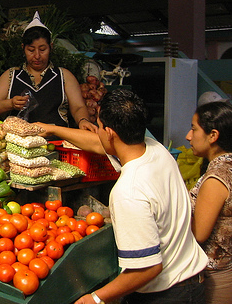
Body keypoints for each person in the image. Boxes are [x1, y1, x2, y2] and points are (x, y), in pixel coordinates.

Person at [36, 88, 208, 304]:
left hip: (168, 295)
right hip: (193, 281)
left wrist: (96, 298)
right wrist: (52, 129)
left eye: (98, 126)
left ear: (110, 133)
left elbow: (148, 268)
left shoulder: (128, 192)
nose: (96, 131)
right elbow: (98, 143)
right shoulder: (157, 150)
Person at [0, 11, 96, 132]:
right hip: (19, 144)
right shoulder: (11, 75)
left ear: (51, 47)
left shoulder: (64, 75)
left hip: (57, 140)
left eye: (42, 49)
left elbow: (78, 107)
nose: (37, 56)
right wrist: (10, 103)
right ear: (23, 48)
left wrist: (83, 120)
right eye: (31, 50)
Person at [187, 101, 232, 304]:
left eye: (194, 129)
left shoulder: (216, 178)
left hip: (217, 277)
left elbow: (199, 233)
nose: (189, 136)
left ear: (213, 135)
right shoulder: (227, 165)